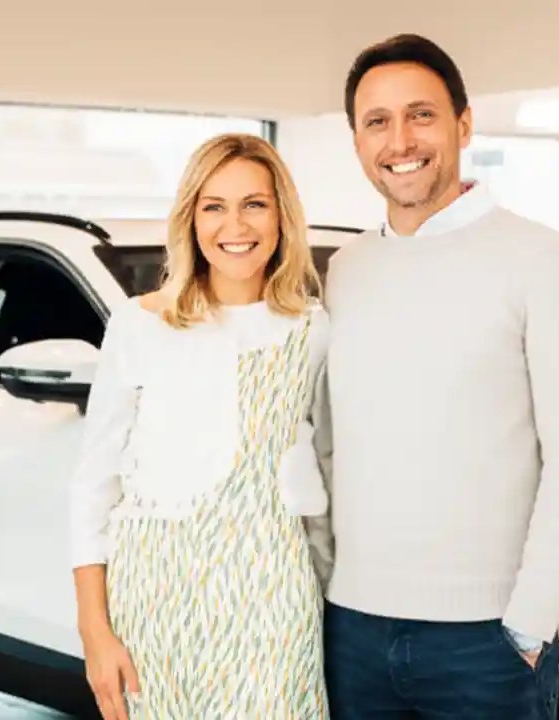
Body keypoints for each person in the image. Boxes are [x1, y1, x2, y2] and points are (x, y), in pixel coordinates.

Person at [313, 33, 559, 719]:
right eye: (377, 122)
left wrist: (530, 622)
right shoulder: (348, 269)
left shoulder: (539, 258)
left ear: (464, 123)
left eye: (421, 114)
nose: (400, 141)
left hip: (488, 643)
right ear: (357, 141)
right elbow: (328, 443)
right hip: (352, 630)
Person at [68, 132, 332, 719]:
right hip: (155, 605)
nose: (234, 225)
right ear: (190, 218)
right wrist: (95, 631)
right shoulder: (140, 326)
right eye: (214, 206)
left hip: (273, 602)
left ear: (281, 216)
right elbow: (93, 486)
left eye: (254, 204)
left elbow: (327, 478)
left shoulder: (313, 331)